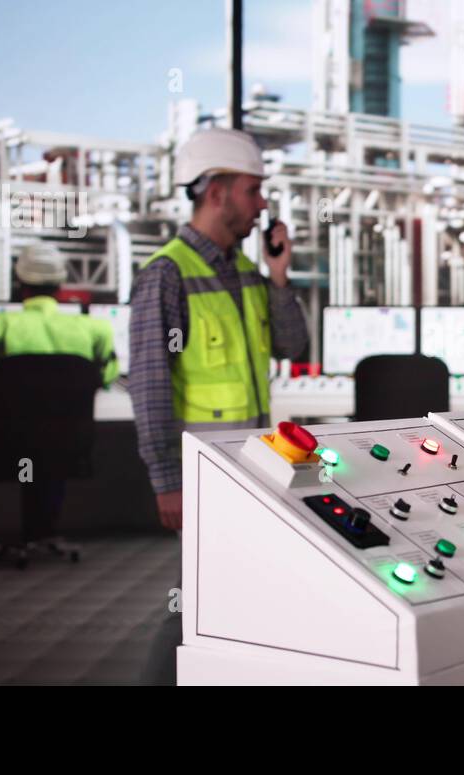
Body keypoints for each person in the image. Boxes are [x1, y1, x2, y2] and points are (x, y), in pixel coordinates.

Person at [130, 127, 309, 684]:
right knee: (200, 600)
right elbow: (151, 383)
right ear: (217, 192)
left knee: (242, 591)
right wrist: (167, 479)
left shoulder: (248, 277)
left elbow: (293, 346)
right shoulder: (167, 273)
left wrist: (279, 276)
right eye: (254, 191)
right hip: (204, 468)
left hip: (254, 462)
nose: (263, 206)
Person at [0, 243, 119, 554]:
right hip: (69, 440)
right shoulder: (95, 330)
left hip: (9, 440)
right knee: (48, 442)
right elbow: (108, 377)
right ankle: (41, 531)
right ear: (60, 287)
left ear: (21, 286)